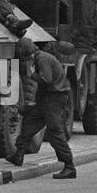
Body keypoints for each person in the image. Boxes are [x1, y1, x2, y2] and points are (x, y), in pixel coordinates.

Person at [7, 39, 76, 179]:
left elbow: (46, 79)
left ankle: (69, 166)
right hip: (48, 98)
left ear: (26, 53)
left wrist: (32, 75)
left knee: (55, 131)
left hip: (55, 98)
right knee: (30, 122)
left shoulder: (42, 59)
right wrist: (35, 102)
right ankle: (18, 154)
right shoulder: (39, 57)